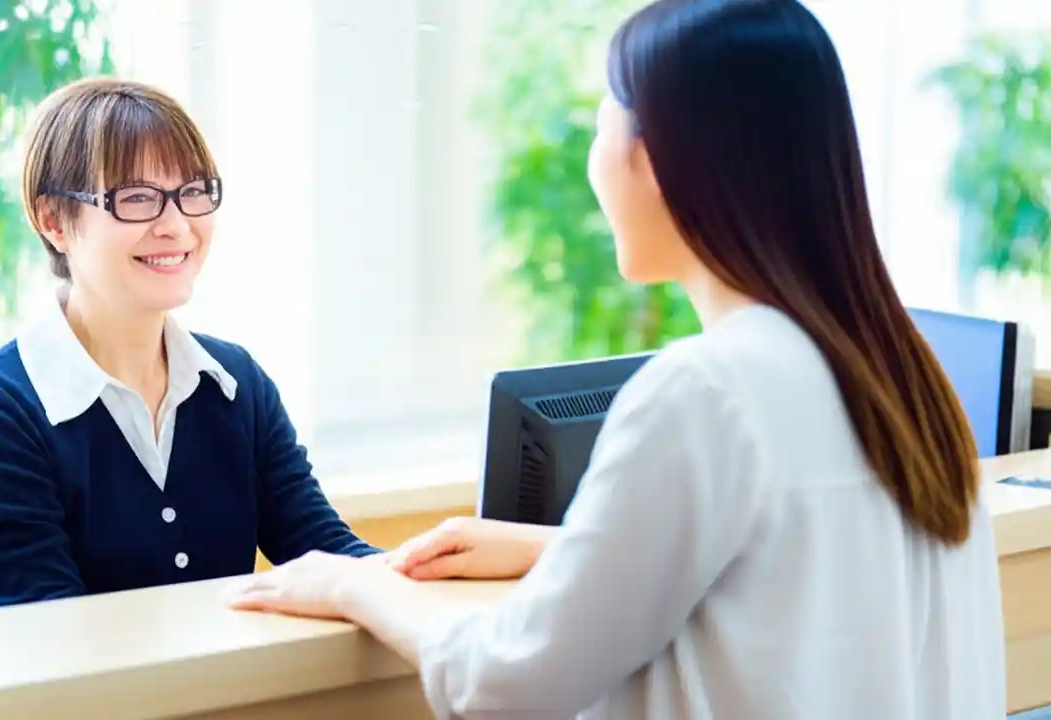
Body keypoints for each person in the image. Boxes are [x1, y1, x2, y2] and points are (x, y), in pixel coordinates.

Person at [227, 1, 1006, 718]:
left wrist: (358, 586)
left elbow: (504, 683)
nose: (596, 161)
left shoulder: (707, 392)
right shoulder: (899, 375)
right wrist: (566, 550)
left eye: (602, 125)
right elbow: (811, 564)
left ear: (658, 158)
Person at [0, 78, 377, 611]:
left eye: (193, 192)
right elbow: (44, 633)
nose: (177, 226)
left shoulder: (236, 382)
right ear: (53, 220)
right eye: (138, 199)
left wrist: (441, 568)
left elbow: (326, 551)